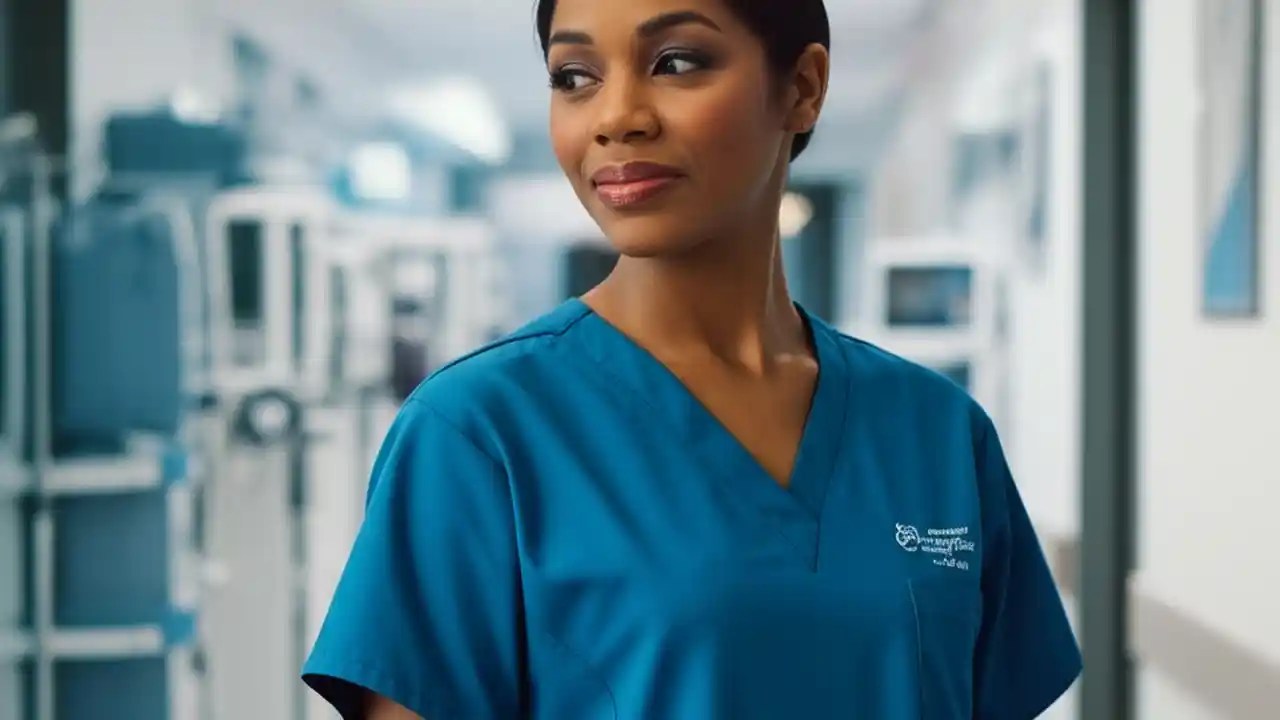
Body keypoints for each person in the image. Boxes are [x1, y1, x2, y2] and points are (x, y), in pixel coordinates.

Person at [301, 0, 1083, 717]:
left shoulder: (936, 430)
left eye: (676, 62)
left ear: (803, 88)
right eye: (574, 77)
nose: (616, 117)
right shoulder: (477, 433)